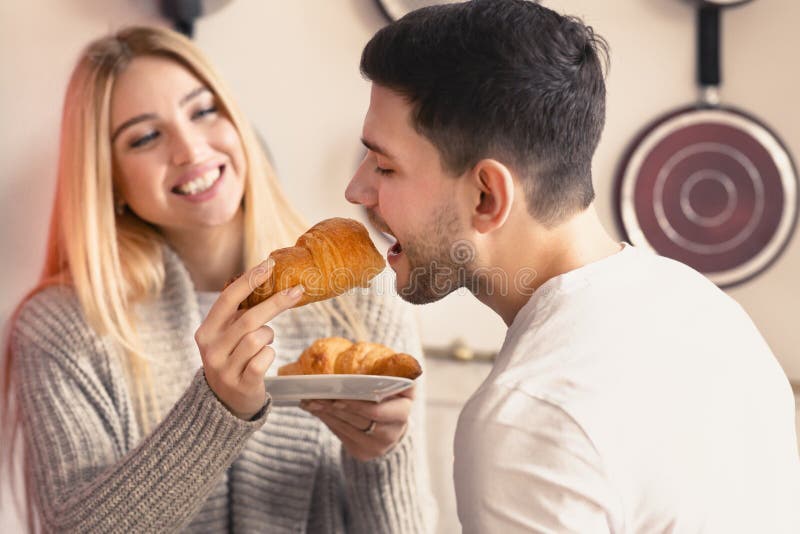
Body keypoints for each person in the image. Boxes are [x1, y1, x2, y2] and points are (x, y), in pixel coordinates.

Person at [344, 0, 800, 532]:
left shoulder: (530, 417)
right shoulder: (706, 308)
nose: (356, 189)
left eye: (384, 165)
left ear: (488, 196)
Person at [2, 26, 435, 533]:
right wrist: (215, 410)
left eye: (203, 110)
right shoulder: (62, 330)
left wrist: (383, 458)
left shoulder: (363, 295)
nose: (189, 149)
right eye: (144, 137)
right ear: (110, 178)